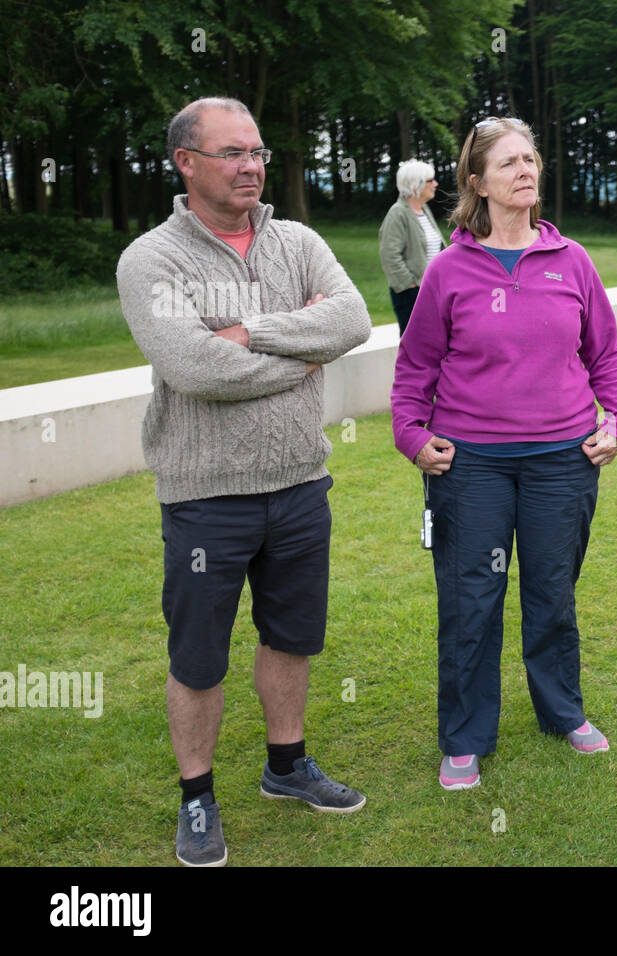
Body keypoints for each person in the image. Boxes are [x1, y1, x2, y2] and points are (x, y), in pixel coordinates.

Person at [117, 96, 372, 867]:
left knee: (290, 639)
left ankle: (287, 768)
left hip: (300, 483)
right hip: (205, 495)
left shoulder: (296, 240)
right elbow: (193, 367)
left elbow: (353, 320)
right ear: (185, 163)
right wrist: (301, 351)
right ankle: (197, 799)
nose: (251, 166)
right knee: (199, 656)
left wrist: (250, 330)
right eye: (231, 153)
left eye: (257, 151)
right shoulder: (152, 259)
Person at [390, 116, 617, 792]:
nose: (525, 171)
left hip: (563, 461)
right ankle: (466, 736)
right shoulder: (449, 270)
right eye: (508, 164)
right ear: (477, 183)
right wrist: (413, 438)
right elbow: (415, 369)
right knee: (472, 601)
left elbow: (607, 356)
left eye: (531, 159)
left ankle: (562, 712)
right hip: (472, 467)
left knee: (553, 594)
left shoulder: (573, 261)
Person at [380, 159, 445, 337]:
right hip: (411, 294)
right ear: (416, 184)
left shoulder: (423, 209)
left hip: (432, 290)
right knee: (415, 345)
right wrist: (411, 285)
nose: (435, 184)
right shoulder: (398, 213)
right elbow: (390, 256)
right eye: (431, 180)